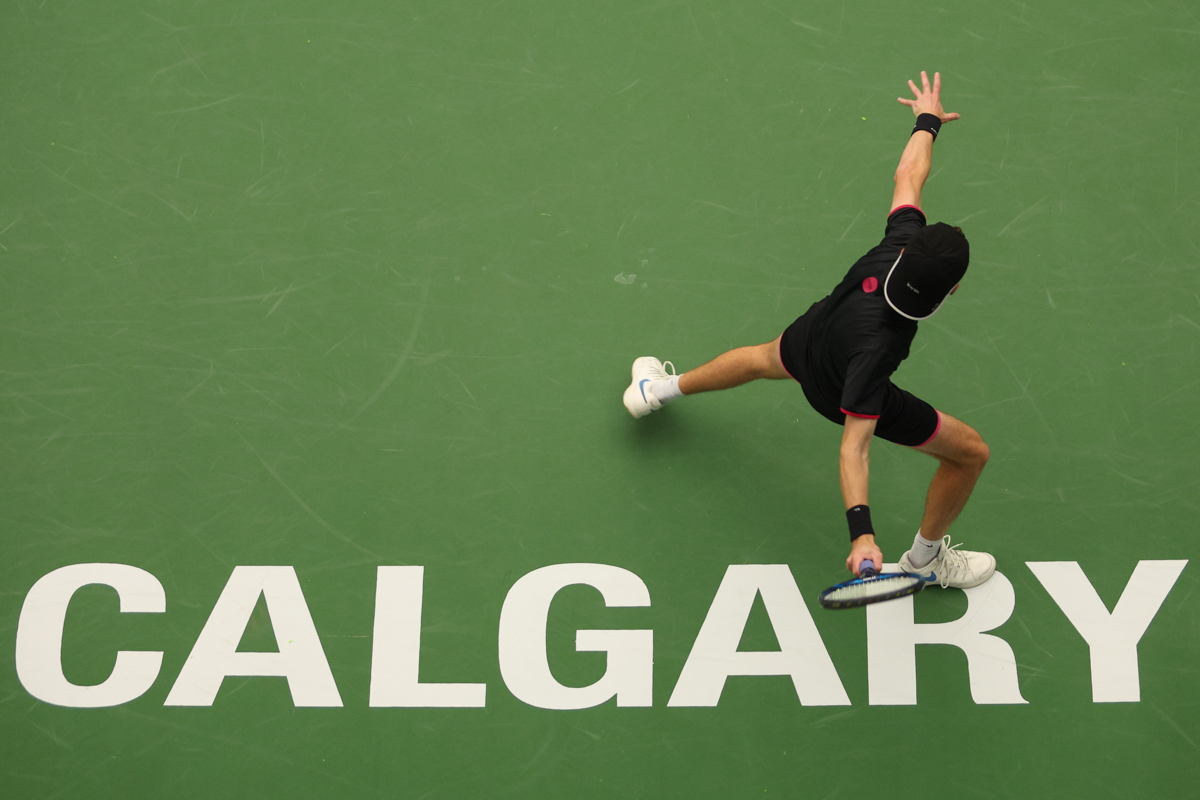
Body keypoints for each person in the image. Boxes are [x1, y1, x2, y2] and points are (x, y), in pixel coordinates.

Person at [623, 71, 996, 589]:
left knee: (758, 359)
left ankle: (654, 391)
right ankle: (925, 561)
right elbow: (854, 448)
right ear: (950, 291)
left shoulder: (899, 242)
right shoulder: (880, 348)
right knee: (970, 453)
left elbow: (908, 174)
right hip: (847, 385)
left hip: (813, 338)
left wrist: (927, 120)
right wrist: (861, 534)